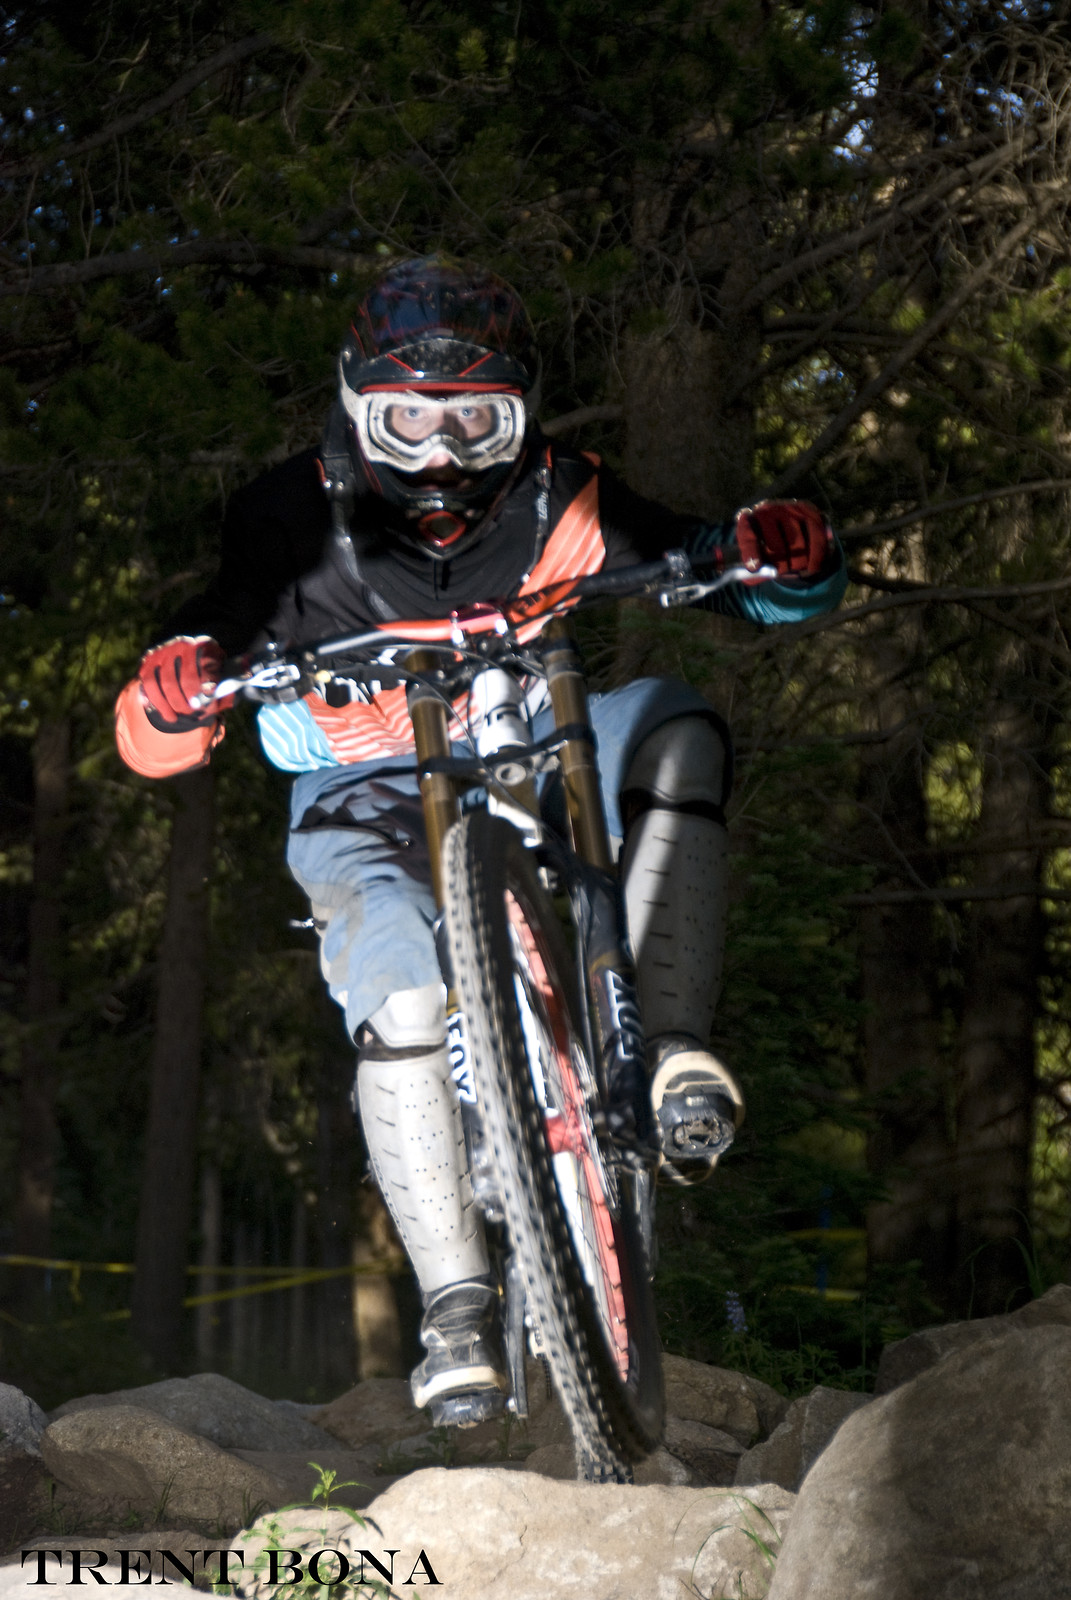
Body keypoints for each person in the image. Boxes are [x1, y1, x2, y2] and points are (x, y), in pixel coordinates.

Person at [115, 256, 846, 1425]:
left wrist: (781, 556)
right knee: (398, 981)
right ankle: (456, 1303)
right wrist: (176, 691)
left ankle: (667, 1052)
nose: (444, 455)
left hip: (537, 752)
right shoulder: (288, 520)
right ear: (356, 410)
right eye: (408, 420)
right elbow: (167, 709)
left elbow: (722, 571)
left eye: (475, 421)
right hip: (365, 785)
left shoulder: (559, 493)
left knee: (675, 727)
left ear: (525, 416)